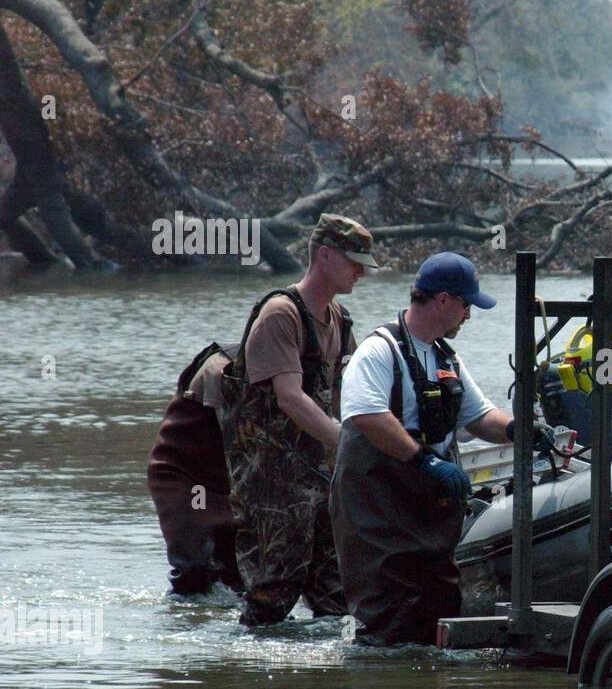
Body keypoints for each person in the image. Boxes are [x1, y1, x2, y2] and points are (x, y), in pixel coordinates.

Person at [330, 252, 554, 646]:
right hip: (378, 509)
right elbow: (366, 416)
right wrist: (426, 461)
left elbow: (479, 416)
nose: (469, 315)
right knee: (388, 618)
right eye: (467, 305)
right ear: (444, 300)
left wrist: (520, 430)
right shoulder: (379, 350)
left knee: (437, 608)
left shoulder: (445, 356)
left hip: (429, 512)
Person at [222, 213, 377, 626]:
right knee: (275, 589)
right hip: (274, 481)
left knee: (335, 593)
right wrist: (351, 445)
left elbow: (353, 395)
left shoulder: (340, 321)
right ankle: (251, 672)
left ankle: (326, 682)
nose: (361, 271)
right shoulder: (281, 314)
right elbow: (291, 399)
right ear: (324, 255)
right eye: (353, 261)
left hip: (323, 476)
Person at [147, 346, 240, 594]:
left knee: (236, 577)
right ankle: (183, 625)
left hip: (227, 482)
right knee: (194, 571)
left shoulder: (301, 364)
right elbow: (238, 440)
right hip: (185, 477)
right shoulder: (221, 369)